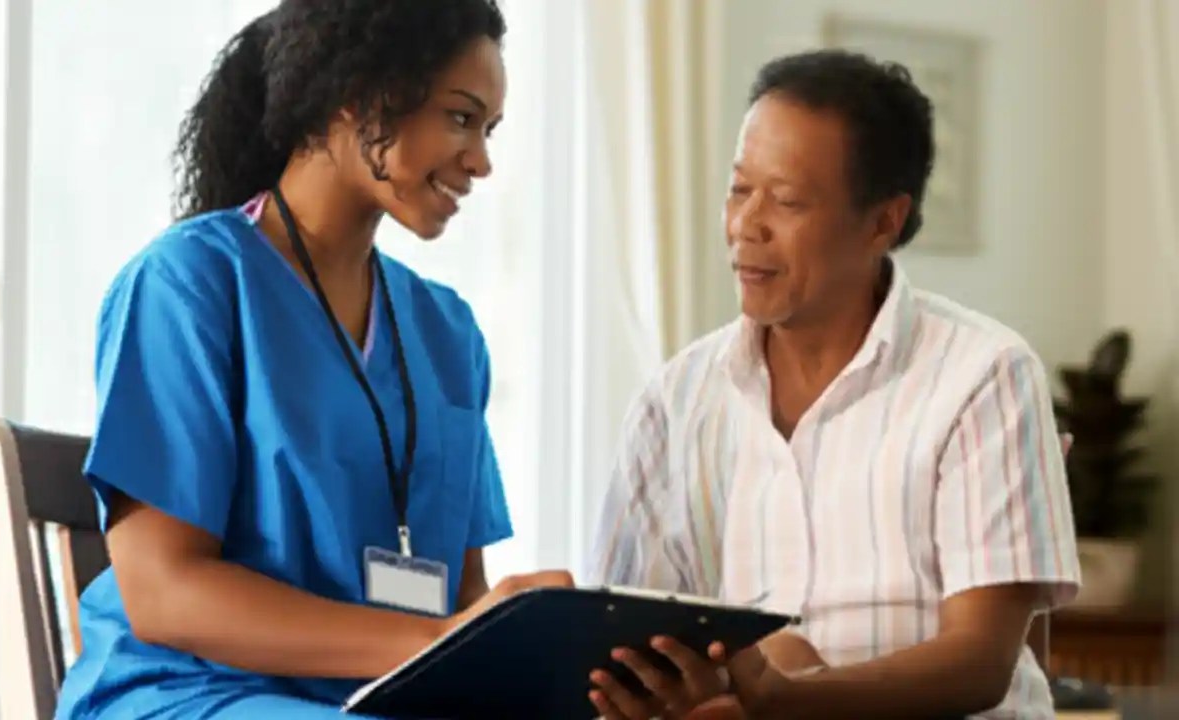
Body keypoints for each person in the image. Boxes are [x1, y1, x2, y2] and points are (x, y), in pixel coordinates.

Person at [54, 1, 573, 717]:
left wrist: (534, 647)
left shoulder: (448, 334)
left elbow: (462, 600)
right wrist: (434, 638)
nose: (482, 161)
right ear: (360, 95)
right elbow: (164, 594)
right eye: (461, 118)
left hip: (373, 702)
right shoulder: (189, 285)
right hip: (188, 695)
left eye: (489, 130)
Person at [586, 49, 1081, 719]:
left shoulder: (984, 374)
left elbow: (980, 663)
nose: (745, 225)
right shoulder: (674, 403)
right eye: (738, 190)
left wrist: (784, 699)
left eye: (786, 200)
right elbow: (620, 645)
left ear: (884, 221)